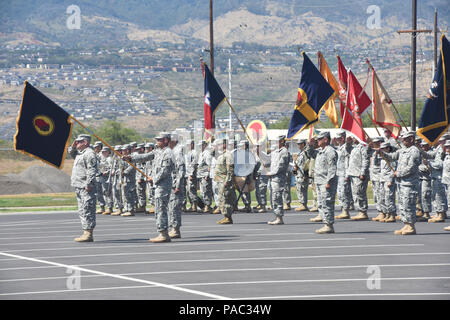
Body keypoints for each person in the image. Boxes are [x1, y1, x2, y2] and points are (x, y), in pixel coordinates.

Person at [129, 132, 175, 242]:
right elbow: (145, 157)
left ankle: (163, 234)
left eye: (159, 140)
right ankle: (162, 232)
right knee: (158, 208)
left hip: (163, 185)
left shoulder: (168, 153)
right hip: (158, 184)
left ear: (166, 141)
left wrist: (153, 179)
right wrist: (130, 158)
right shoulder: (158, 151)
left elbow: (165, 171)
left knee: (161, 209)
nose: (157, 141)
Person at [378, 131, 421, 235]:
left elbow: (412, 167)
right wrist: (382, 153)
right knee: (403, 204)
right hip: (401, 183)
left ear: (411, 139)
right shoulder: (402, 150)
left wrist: (399, 173)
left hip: (409, 183)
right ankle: (406, 224)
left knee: (409, 204)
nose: (403, 140)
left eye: (406, 139)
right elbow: (392, 157)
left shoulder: (414, 151)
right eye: (403, 139)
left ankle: (411, 226)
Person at [68, 134, 98, 242]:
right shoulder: (80, 153)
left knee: (88, 209)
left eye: (79, 142)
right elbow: (71, 153)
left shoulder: (89, 154)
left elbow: (91, 170)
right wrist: (73, 146)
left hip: (86, 187)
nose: (77, 143)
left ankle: (89, 233)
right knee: (82, 210)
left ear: (86, 142)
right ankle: (85, 232)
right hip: (79, 185)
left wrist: (89, 184)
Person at [313, 131, 338, 234]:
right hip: (320, 181)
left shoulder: (330, 151)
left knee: (327, 203)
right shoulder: (321, 151)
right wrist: (310, 145)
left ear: (325, 140)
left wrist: (328, 181)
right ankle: (326, 224)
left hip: (326, 182)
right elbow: (309, 153)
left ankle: (329, 225)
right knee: (322, 203)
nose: (317, 141)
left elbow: (332, 168)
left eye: (319, 139)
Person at [266, 135, 290, 225]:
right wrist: (258, 151)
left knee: (277, 197)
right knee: (273, 198)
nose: (275, 143)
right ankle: (277, 216)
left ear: (282, 142)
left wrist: (271, 173)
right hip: (273, 178)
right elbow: (268, 160)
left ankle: (279, 217)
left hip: (279, 179)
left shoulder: (284, 152)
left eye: (277, 141)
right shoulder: (276, 152)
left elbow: (281, 167)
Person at [346, 137, 370, 221]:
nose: (353, 138)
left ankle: (363, 211)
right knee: (355, 193)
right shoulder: (354, 147)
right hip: (353, 173)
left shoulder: (363, 147)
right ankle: (360, 210)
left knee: (360, 192)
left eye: (354, 137)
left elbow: (365, 160)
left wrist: (363, 172)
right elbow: (347, 150)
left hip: (359, 174)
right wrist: (348, 143)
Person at [168, 133, 186, 238]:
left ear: (174, 141)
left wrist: (178, 186)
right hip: (172, 184)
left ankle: (175, 230)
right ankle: (173, 228)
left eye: (169, 141)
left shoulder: (178, 153)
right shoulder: (172, 152)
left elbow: (181, 171)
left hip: (176, 185)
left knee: (175, 208)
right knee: (171, 208)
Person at [215, 138, 235, 224]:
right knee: (222, 198)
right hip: (220, 180)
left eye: (219, 144)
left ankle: (228, 217)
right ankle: (226, 216)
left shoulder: (228, 155)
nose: (217, 146)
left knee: (225, 198)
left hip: (224, 180)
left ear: (224, 145)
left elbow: (230, 170)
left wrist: (228, 180)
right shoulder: (221, 155)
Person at [335, 131, 353, 219]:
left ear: (343, 138)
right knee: (340, 193)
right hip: (338, 173)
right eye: (337, 138)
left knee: (344, 192)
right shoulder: (338, 148)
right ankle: (343, 209)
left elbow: (347, 162)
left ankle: (346, 210)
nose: (338, 140)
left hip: (344, 173)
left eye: (339, 138)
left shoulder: (346, 148)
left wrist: (347, 174)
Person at [377, 142, 397, 223]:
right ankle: (387, 214)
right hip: (382, 179)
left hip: (388, 180)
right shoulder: (382, 158)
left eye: (384, 148)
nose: (382, 150)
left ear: (388, 148)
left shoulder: (391, 157)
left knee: (389, 197)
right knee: (384, 197)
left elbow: (393, 170)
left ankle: (392, 214)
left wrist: (390, 180)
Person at [369, 136, 385, 221]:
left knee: (381, 195)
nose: (374, 144)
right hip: (374, 177)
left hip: (380, 177)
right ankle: (380, 212)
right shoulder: (374, 152)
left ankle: (383, 212)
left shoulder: (382, 152)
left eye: (376, 143)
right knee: (376, 195)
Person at [293, 138, 309, 212]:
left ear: (303, 144)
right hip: (298, 174)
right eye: (298, 144)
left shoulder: (305, 153)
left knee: (302, 189)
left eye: (300, 144)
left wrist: (305, 175)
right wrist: (294, 173)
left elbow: (306, 165)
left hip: (302, 174)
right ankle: (302, 204)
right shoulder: (300, 153)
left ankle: (303, 204)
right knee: (299, 189)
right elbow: (296, 166)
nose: (298, 146)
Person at [253, 143, 270, 213]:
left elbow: (267, 164)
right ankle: (260, 204)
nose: (256, 148)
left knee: (262, 189)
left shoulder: (263, 154)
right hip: (258, 174)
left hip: (263, 174)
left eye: (258, 146)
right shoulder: (255, 154)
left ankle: (263, 206)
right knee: (258, 190)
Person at [198, 140, 213, 213]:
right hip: (201, 175)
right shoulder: (201, 153)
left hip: (205, 175)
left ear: (204, 145)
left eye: (201, 145)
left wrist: (207, 174)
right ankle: (205, 205)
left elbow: (209, 165)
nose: (199, 147)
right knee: (202, 191)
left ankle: (207, 206)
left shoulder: (207, 153)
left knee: (206, 191)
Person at [99, 146, 114, 215]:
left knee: (108, 192)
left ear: (108, 152)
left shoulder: (109, 159)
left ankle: (110, 207)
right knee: (104, 192)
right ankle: (107, 206)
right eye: (102, 152)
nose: (103, 153)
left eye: (105, 152)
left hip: (108, 177)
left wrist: (106, 172)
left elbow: (112, 168)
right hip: (102, 177)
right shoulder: (102, 159)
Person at [185, 140, 199, 212]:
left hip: (192, 174)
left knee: (192, 190)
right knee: (188, 190)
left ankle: (194, 205)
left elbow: (194, 165)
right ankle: (191, 204)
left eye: (189, 145)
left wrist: (191, 174)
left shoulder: (194, 153)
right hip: (188, 173)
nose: (188, 146)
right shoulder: (189, 153)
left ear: (193, 145)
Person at [93, 141, 106, 214]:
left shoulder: (102, 155)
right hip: (97, 175)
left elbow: (103, 165)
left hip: (102, 176)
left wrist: (102, 171)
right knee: (98, 192)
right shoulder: (95, 155)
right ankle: (102, 207)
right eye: (95, 147)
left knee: (105, 191)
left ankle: (108, 207)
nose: (96, 148)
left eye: (97, 147)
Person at [135, 143, 147, 213]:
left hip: (141, 178)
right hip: (138, 176)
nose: (138, 151)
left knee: (141, 192)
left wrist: (140, 177)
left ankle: (143, 206)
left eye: (139, 149)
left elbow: (143, 168)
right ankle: (141, 205)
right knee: (139, 192)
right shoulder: (139, 156)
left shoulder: (144, 157)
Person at [442, 140, 450, 231]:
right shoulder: (447, 156)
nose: (447, 148)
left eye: (448, 146)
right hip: (447, 182)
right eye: (446, 146)